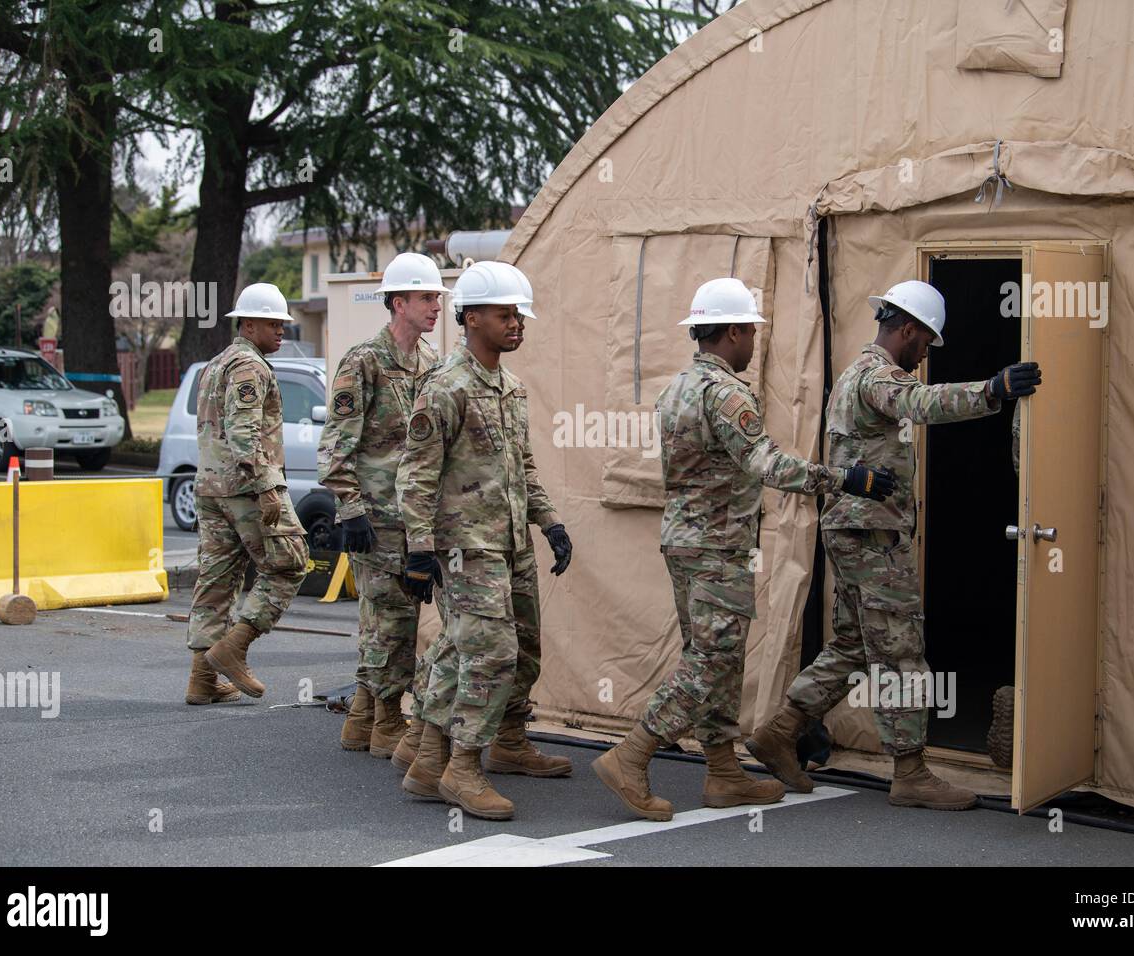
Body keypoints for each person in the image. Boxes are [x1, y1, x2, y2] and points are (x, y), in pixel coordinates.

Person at [591, 277, 895, 822]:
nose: (754, 340)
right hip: (717, 548)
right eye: (751, 329)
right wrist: (845, 478)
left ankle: (723, 771)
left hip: (685, 542)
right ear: (732, 331)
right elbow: (768, 464)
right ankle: (631, 754)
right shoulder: (727, 393)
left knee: (718, 662)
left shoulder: (678, 387)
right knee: (711, 663)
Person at [746, 280, 1041, 810]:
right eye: (925, 342)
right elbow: (920, 402)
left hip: (851, 530)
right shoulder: (880, 375)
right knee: (901, 652)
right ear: (906, 330)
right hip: (873, 537)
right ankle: (910, 771)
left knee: (852, 647)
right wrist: (992, 390)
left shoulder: (854, 374)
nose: (925, 354)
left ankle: (780, 731)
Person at [396, 261, 572, 820]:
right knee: (490, 654)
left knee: (511, 650)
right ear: (471, 319)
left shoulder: (512, 388)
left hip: (511, 543)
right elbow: (416, 475)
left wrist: (550, 522)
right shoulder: (445, 388)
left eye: (519, 315)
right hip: (464, 547)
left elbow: (522, 467)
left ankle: (440, 755)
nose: (517, 324)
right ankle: (461, 768)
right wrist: (420, 549)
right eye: (505, 314)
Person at [318, 252, 447, 757]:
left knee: (398, 617)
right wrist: (348, 509)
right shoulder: (364, 361)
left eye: (436, 297)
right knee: (387, 617)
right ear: (398, 303)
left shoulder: (433, 363)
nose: (435, 306)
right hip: (373, 515)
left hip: (414, 515)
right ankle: (387, 719)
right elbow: (335, 443)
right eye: (425, 297)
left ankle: (363, 716)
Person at [186, 283, 309, 702]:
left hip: (211, 488)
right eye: (274, 324)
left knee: (217, 581)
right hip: (245, 488)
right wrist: (267, 486)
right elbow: (243, 433)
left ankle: (202, 680)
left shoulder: (216, 363)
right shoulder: (249, 367)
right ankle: (235, 647)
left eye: (283, 324)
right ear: (248, 323)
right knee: (291, 563)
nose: (281, 332)